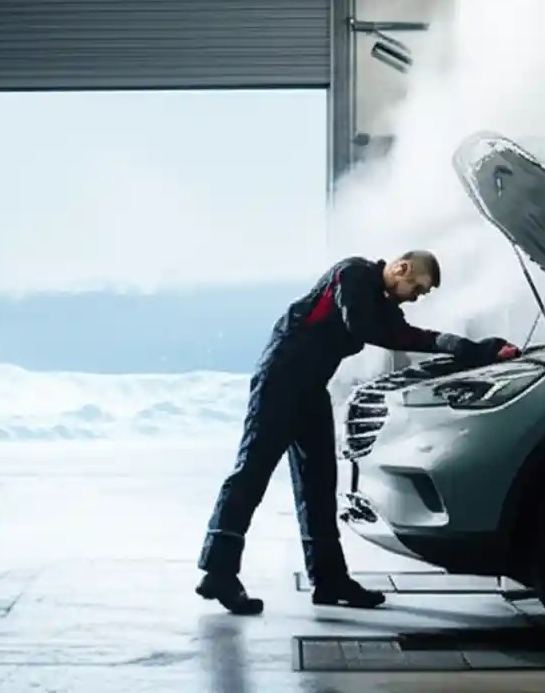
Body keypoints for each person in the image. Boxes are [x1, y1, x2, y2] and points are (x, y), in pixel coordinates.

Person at [195, 251, 521, 614]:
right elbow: (367, 328)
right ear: (401, 268)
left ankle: (329, 579)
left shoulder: (378, 298)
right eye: (417, 288)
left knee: (319, 483)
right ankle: (218, 570)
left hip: (311, 387)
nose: (416, 297)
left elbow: (406, 334)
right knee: (251, 473)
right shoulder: (352, 275)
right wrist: (461, 347)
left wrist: (480, 350)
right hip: (280, 381)